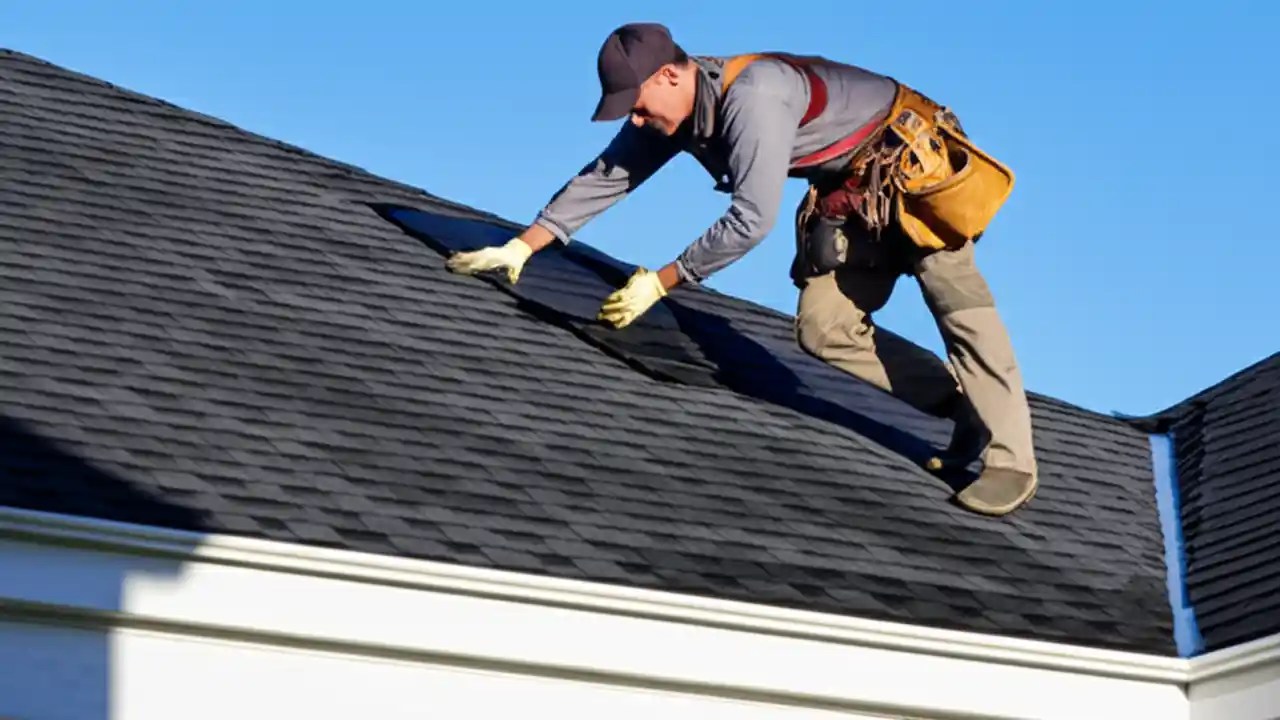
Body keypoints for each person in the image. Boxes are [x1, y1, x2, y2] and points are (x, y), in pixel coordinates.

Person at [444, 22, 1037, 516]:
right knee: (823, 328)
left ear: (670, 74)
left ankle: (1012, 460)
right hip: (849, 195)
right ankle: (966, 412)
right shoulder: (679, 109)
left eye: (640, 106)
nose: (639, 121)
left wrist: (663, 280)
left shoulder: (752, 96)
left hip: (909, 170)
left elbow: (752, 219)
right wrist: (523, 246)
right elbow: (610, 175)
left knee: (958, 307)